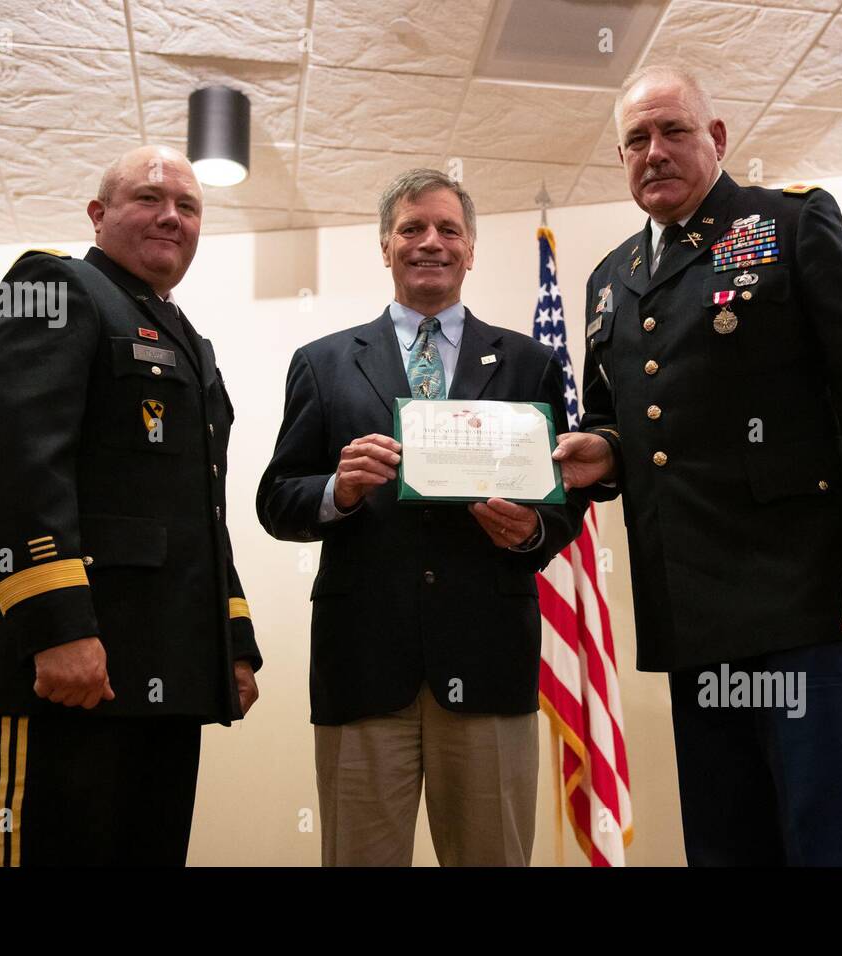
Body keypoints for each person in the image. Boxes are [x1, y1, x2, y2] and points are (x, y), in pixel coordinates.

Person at [553, 66, 842, 866]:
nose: (653, 152)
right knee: (728, 840)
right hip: (689, 606)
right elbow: (636, 422)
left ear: (717, 138)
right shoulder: (609, 280)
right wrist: (607, 451)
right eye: (635, 140)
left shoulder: (791, 224)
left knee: (822, 830)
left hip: (800, 598)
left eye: (674, 131)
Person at [256, 168, 584, 866]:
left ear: (471, 250)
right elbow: (277, 499)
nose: (430, 242)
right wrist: (337, 492)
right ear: (385, 246)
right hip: (362, 665)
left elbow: (564, 503)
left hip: (490, 659)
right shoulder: (322, 364)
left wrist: (531, 531)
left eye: (448, 230)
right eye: (412, 228)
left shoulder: (530, 362)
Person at [0, 145, 260, 866]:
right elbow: (17, 465)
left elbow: (197, 514)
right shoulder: (54, 285)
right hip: (59, 673)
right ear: (99, 214)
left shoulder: (187, 340)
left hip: (165, 680)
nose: (172, 216)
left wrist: (233, 646)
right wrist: (55, 626)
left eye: (188, 207)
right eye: (150, 199)